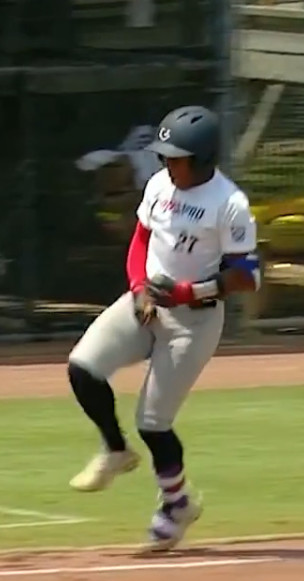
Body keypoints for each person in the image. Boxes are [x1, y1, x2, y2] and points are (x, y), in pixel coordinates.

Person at [66, 105, 260, 552]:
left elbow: (246, 276)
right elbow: (141, 239)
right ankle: (116, 450)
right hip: (147, 303)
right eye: (164, 156)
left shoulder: (229, 204)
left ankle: (177, 505)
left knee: (153, 423)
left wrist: (188, 292)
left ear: (203, 158)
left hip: (194, 321)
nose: (166, 164)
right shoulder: (158, 185)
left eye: (176, 157)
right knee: (82, 368)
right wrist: (138, 289)